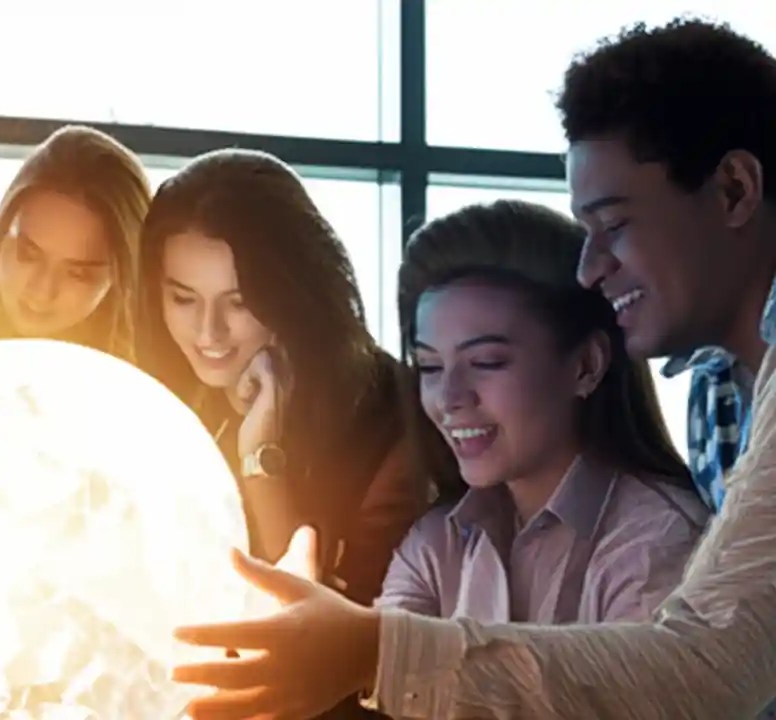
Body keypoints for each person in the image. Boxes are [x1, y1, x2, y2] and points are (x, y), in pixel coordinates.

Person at [169, 19, 776, 719]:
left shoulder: (650, 528)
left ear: (734, 189)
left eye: (614, 225)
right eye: (429, 366)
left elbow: (712, 665)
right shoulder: (716, 389)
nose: (592, 266)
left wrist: (373, 652)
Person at [380, 199, 705, 626]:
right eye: (431, 367)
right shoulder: (440, 541)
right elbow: (377, 670)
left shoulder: (657, 541)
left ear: (585, 365)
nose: (451, 397)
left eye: (487, 362)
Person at [138, 148, 435, 612]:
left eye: (239, 302)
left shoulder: (391, 423)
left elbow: (313, 632)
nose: (208, 331)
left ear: (290, 290)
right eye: (183, 298)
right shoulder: (160, 405)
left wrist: (259, 457)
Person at [0, 125, 150, 363]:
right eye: (27, 255)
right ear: (0, 236)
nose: (42, 291)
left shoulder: (147, 384)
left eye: (78, 273)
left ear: (121, 277)